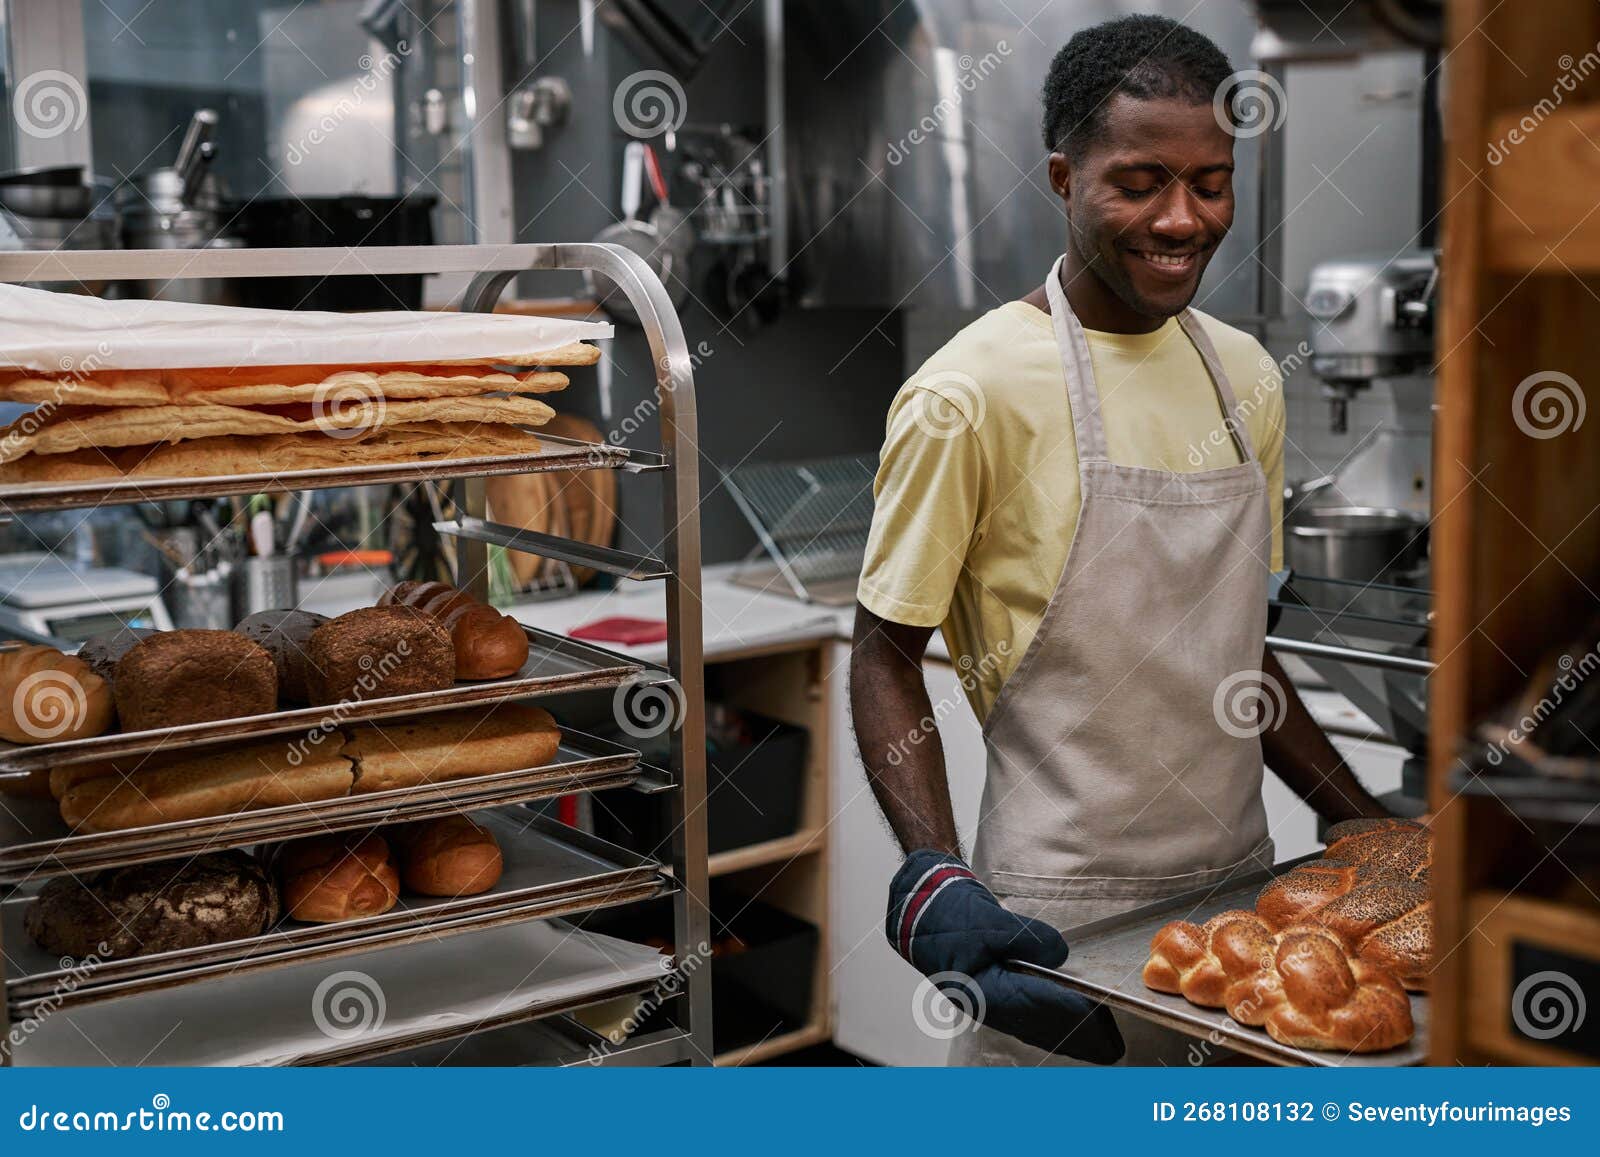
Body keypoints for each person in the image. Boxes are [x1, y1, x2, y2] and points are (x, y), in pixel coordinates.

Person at [851, 14, 1391, 1066]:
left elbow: (1237, 652)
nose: (1182, 218)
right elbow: (882, 652)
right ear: (1062, 176)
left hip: (1244, 899)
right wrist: (935, 871)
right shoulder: (968, 392)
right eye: (1139, 181)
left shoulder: (1244, 379)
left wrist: (1359, 819)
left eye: (1210, 182)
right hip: (1051, 920)